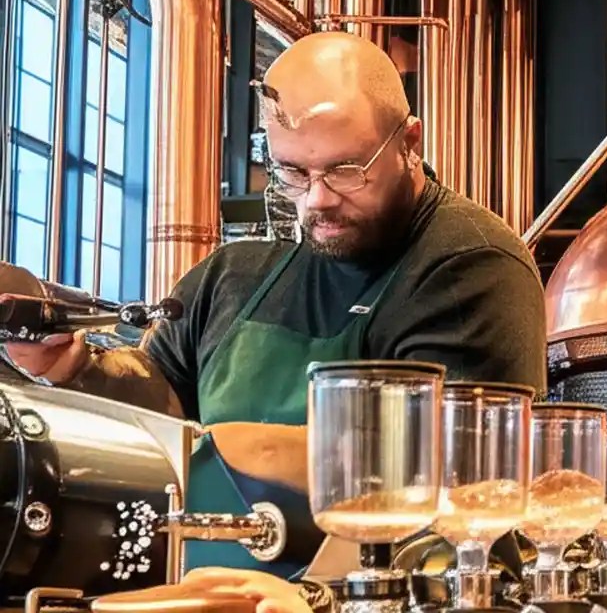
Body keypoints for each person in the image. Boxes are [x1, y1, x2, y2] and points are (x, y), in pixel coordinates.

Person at [2, 31, 547, 579]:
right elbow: (159, 408)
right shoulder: (234, 275)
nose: (317, 199)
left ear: (410, 142)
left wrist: (255, 457)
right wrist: (73, 367)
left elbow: (455, 492)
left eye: (346, 169)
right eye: (292, 172)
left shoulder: (469, 266)